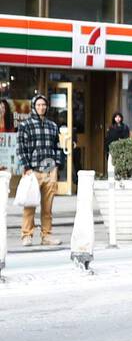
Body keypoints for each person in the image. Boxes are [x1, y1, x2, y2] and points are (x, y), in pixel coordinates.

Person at [16, 94, 62, 247]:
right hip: (33, 171)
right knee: (30, 206)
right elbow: (20, 148)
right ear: (34, 107)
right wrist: (27, 167)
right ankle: (26, 235)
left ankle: (46, 235)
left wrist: (55, 168)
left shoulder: (53, 126)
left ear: (47, 107)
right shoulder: (25, 125)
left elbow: (58, 148)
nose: (41, 107)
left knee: (47, 208)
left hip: (49, 172)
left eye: (44, 105)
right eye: (39, 105)